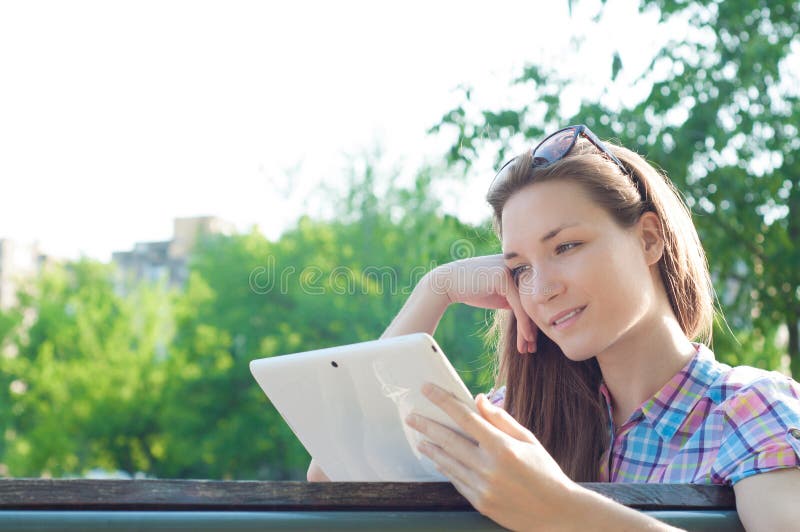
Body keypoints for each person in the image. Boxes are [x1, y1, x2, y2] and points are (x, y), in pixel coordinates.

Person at [307, 124, 800, 531]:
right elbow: (332, 475)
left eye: (565, 247)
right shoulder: (515, 420)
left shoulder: (746, 412)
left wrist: (557, 508)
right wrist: (437, 288)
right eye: (519, 268)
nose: (539, 290)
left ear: (648, 239)